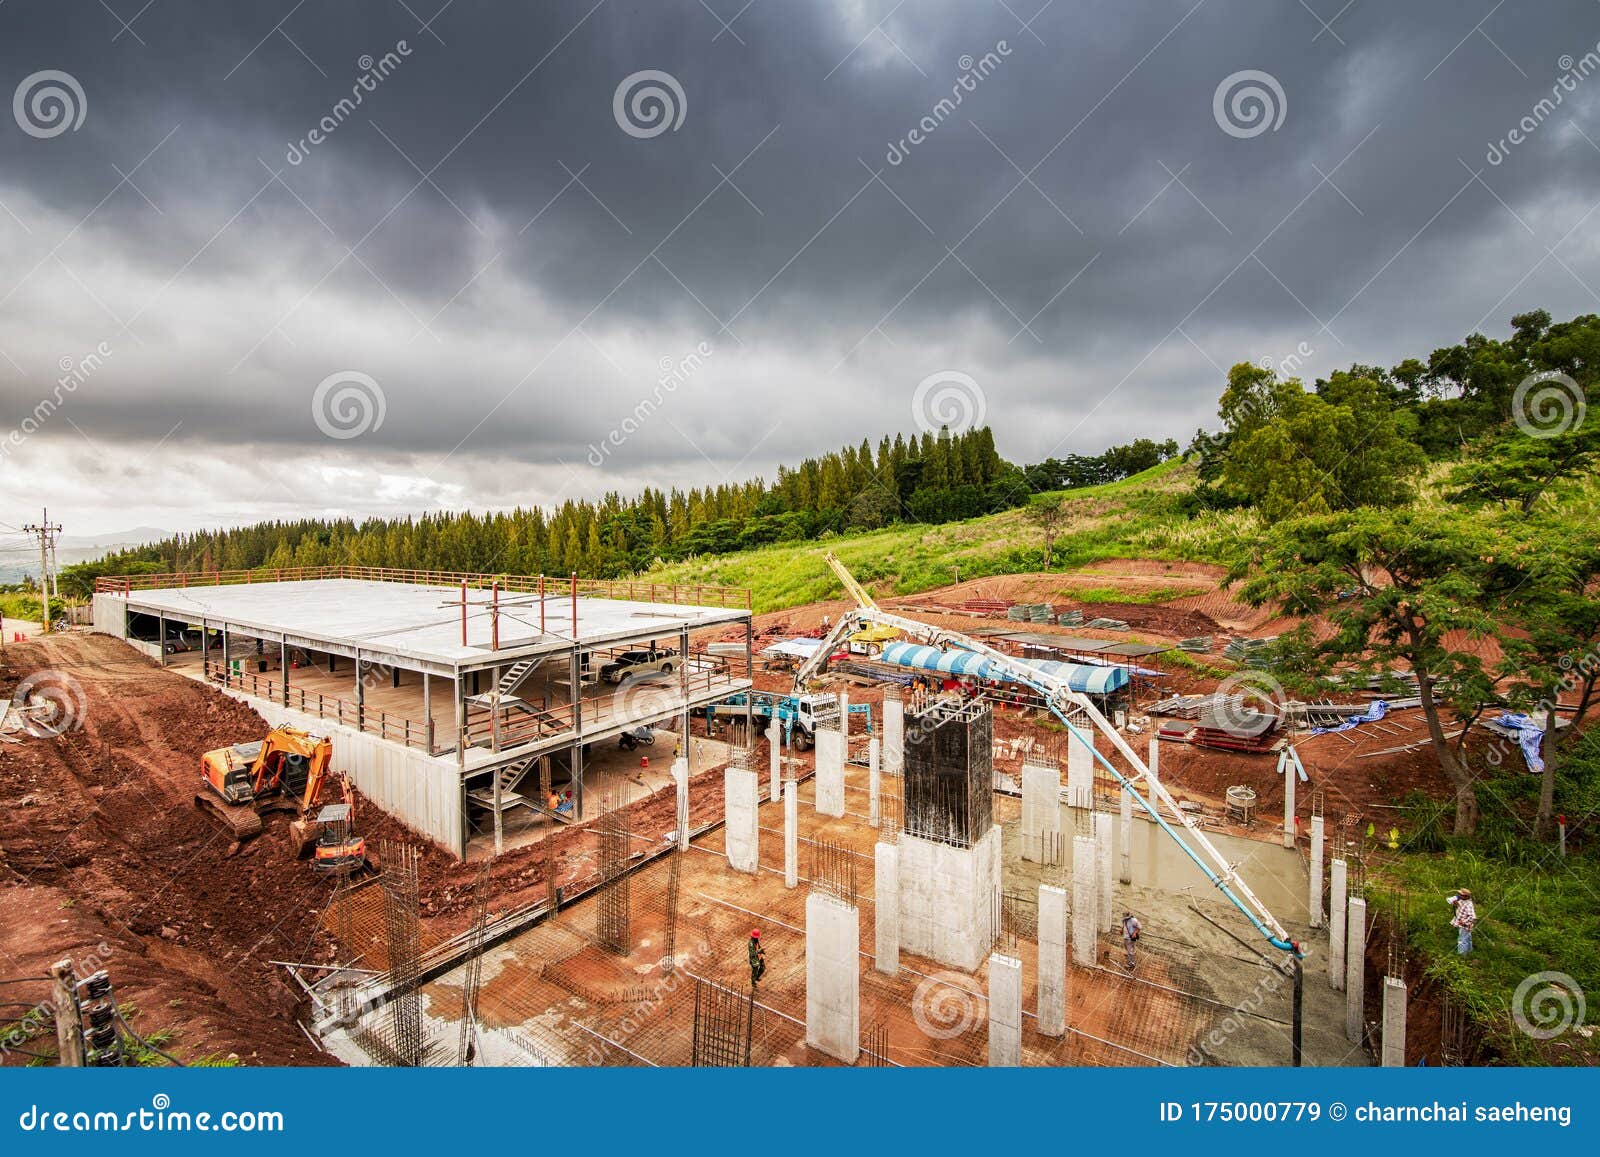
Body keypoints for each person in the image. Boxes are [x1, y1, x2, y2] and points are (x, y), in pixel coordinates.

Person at [1447, 888, 1476, 954]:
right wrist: (1455, 902)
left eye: (1461, 894)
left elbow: (1473, 917)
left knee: (1462, 940)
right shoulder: (1462, 900)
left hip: (1465, 925)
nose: (1459, 895)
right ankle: (1469, 952)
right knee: (1468, 938)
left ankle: (1462, 955)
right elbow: (1450, 901)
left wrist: (1464, 922)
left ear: (1466, 896)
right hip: (1464, 923)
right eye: (1459, 894)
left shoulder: (1468, 905)